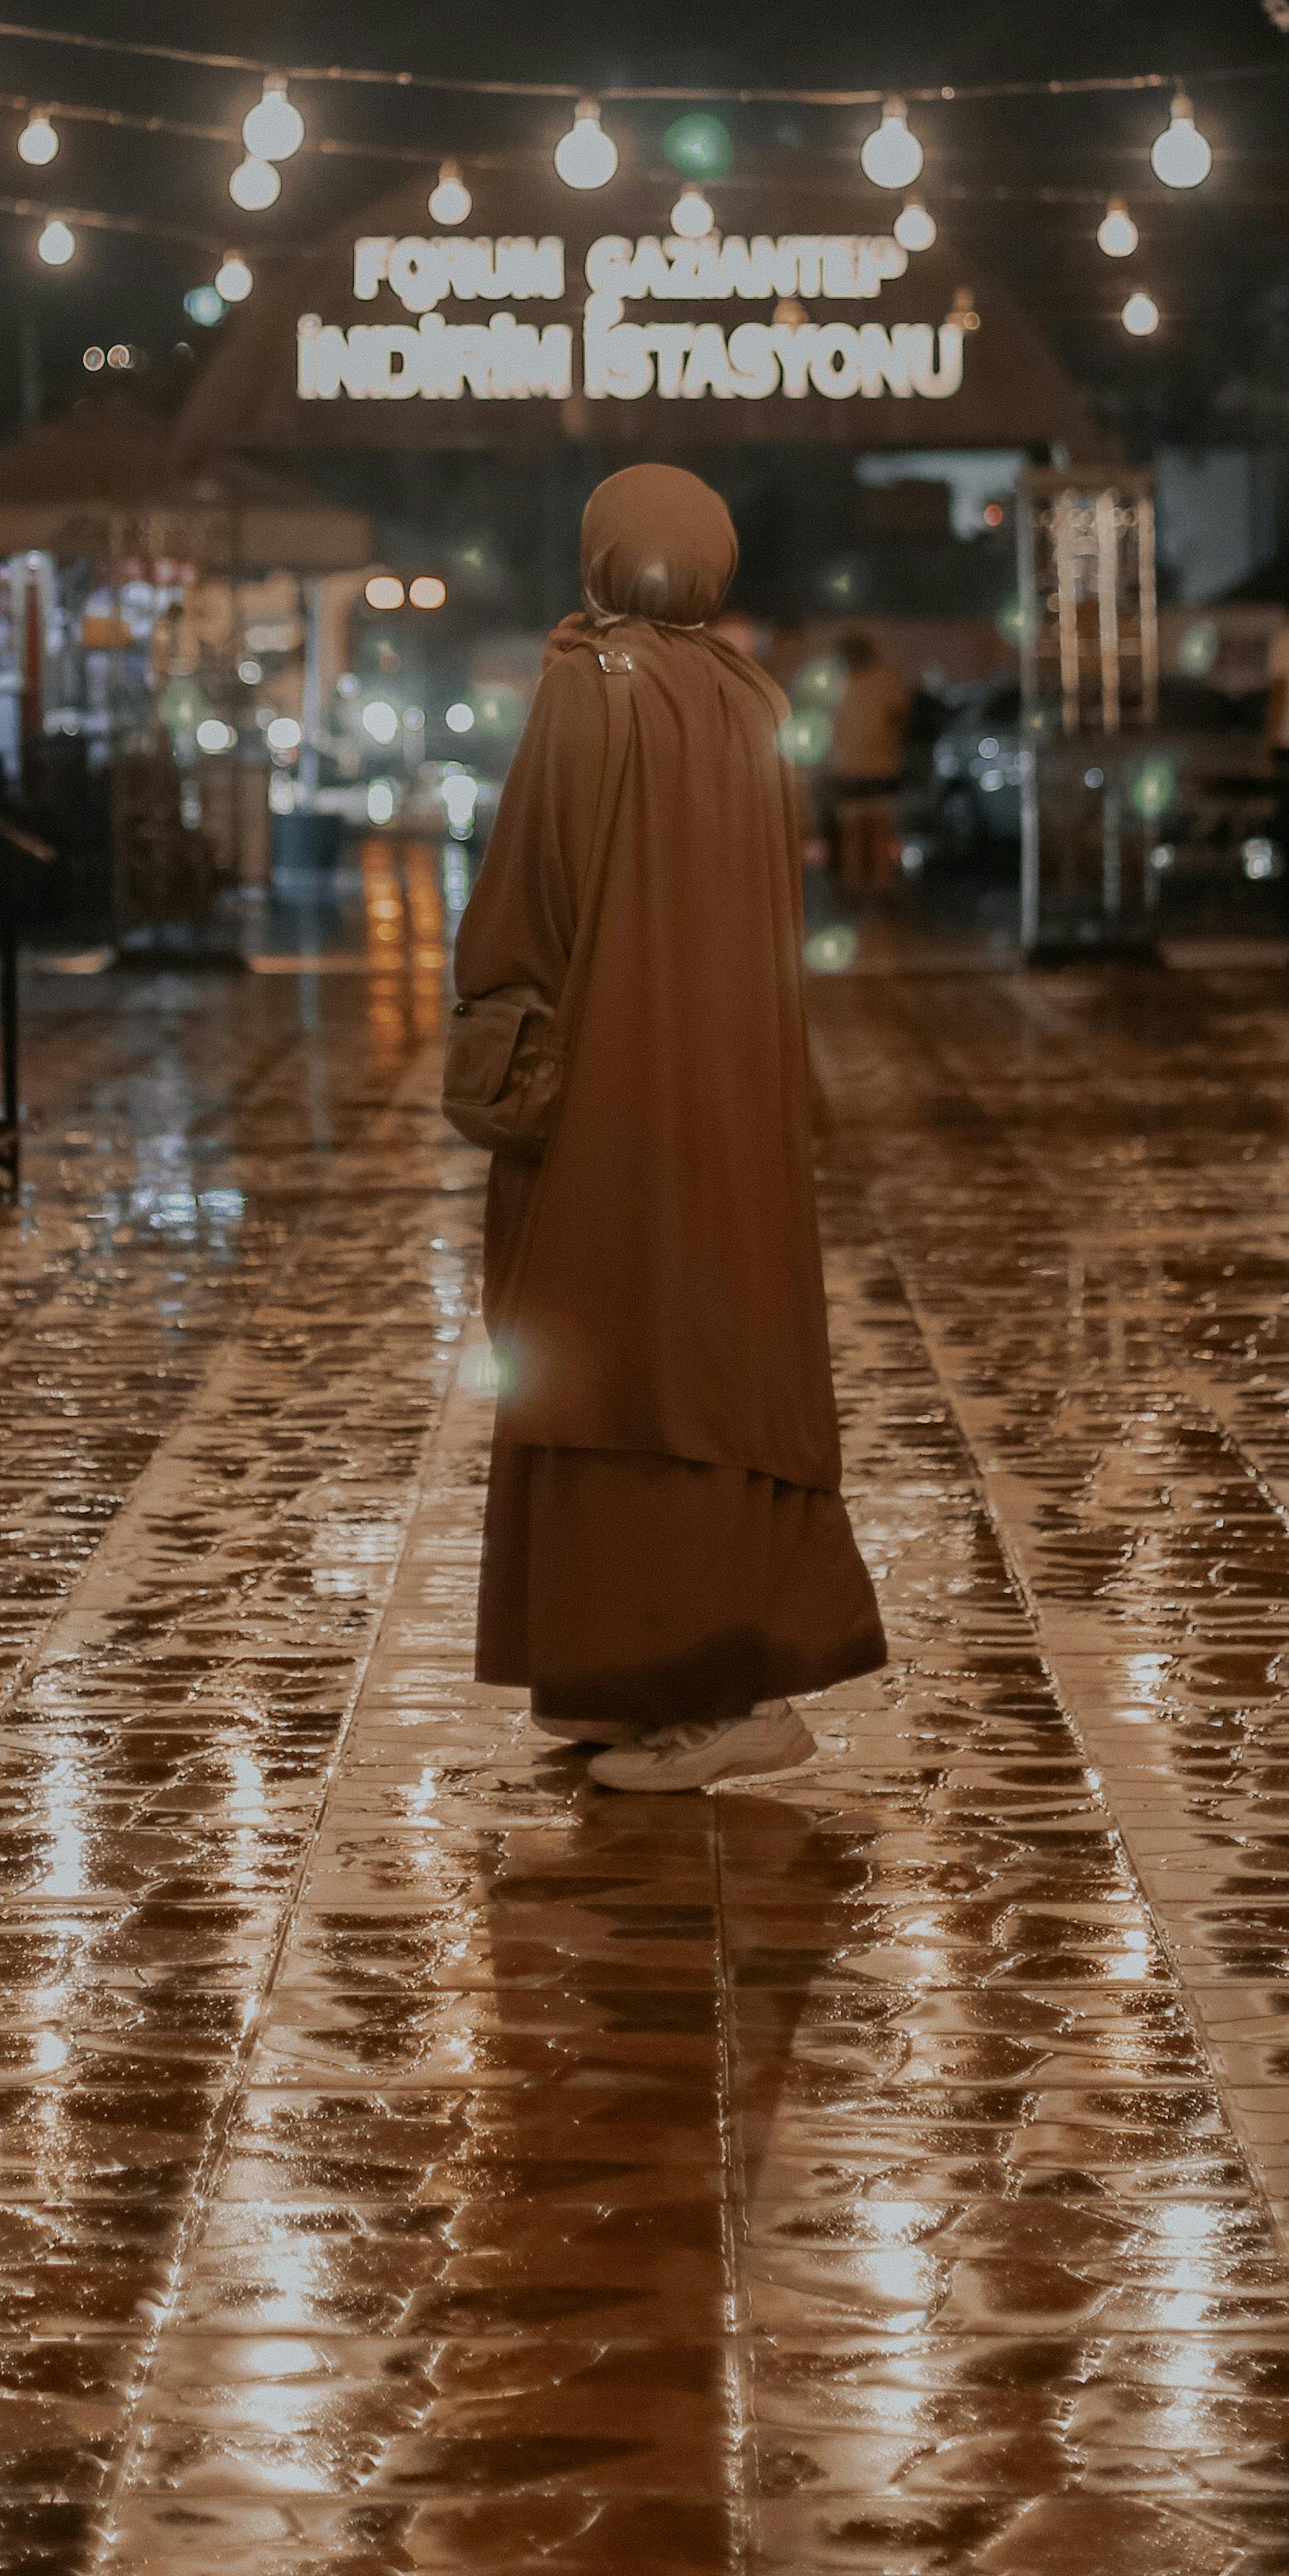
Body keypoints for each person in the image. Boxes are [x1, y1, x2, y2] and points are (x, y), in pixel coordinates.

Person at [455, 461, 887, 1794]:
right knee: (703, 1362)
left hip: (608, 1097)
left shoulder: (587, 691)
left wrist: (495, 1019)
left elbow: (526, 899)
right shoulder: (751, 701)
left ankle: (708, 1698)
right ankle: (641, 1686)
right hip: (732, 1097)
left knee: (607, 1362)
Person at [827, 624, 914, 899]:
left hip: (848, 770)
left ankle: (856, 888)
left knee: (853, 834)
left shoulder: (834, 684)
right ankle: (879, 885)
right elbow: (901, 720)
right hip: (880, 767)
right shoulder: (887, 681)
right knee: (878, 832)